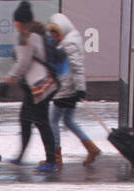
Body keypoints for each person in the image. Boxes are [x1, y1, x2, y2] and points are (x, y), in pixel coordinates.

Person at [1, 2, 59, 171]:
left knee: (41, 123)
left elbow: (23, 63)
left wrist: (9, 79)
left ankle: (51, 161)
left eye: (15, 20)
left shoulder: (25, 38)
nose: (14, 24)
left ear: (19, 22)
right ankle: (21, 157)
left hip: (38, 88)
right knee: (26, 120)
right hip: (36, 87)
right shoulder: (36, 34)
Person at [46, 13, 100, 166]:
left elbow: (77, 67)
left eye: (55, 33)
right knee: (68, 121)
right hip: (71, 87)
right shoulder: (72, 38)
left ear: (61, 30)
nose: (54, 37)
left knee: (53, 121)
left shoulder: (68, 43)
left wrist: (81, 89)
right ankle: (91, 148)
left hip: (66, 88)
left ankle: (56, 155)